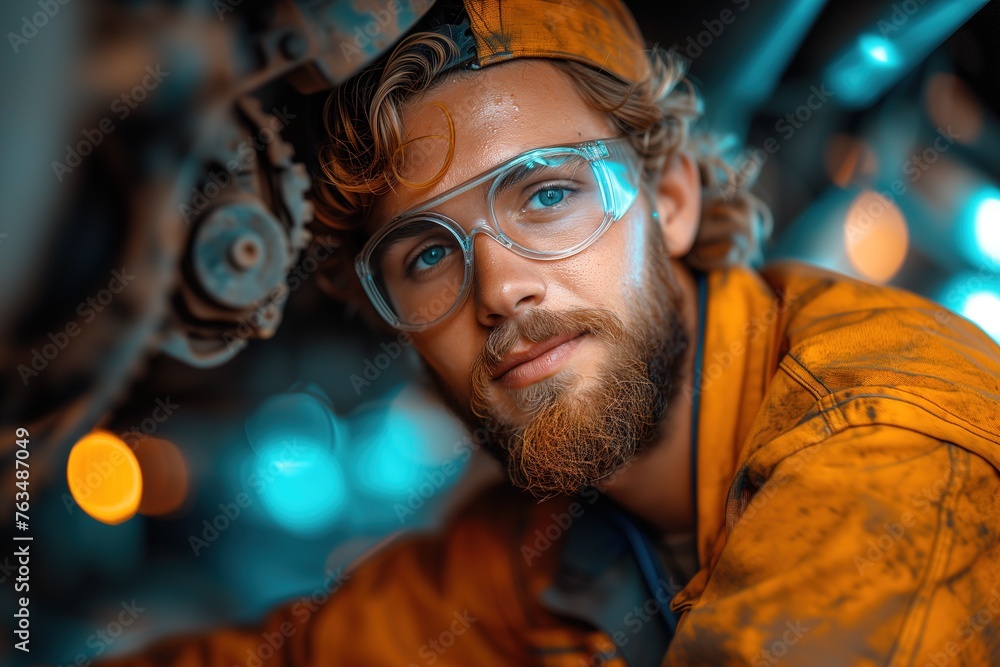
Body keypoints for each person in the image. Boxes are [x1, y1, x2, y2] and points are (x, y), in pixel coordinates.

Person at [104, 0, 1000, 665]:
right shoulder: (550, 541)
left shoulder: (889, 444)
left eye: (546, 194)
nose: (499, 289)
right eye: (427, 254)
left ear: (670, 199)